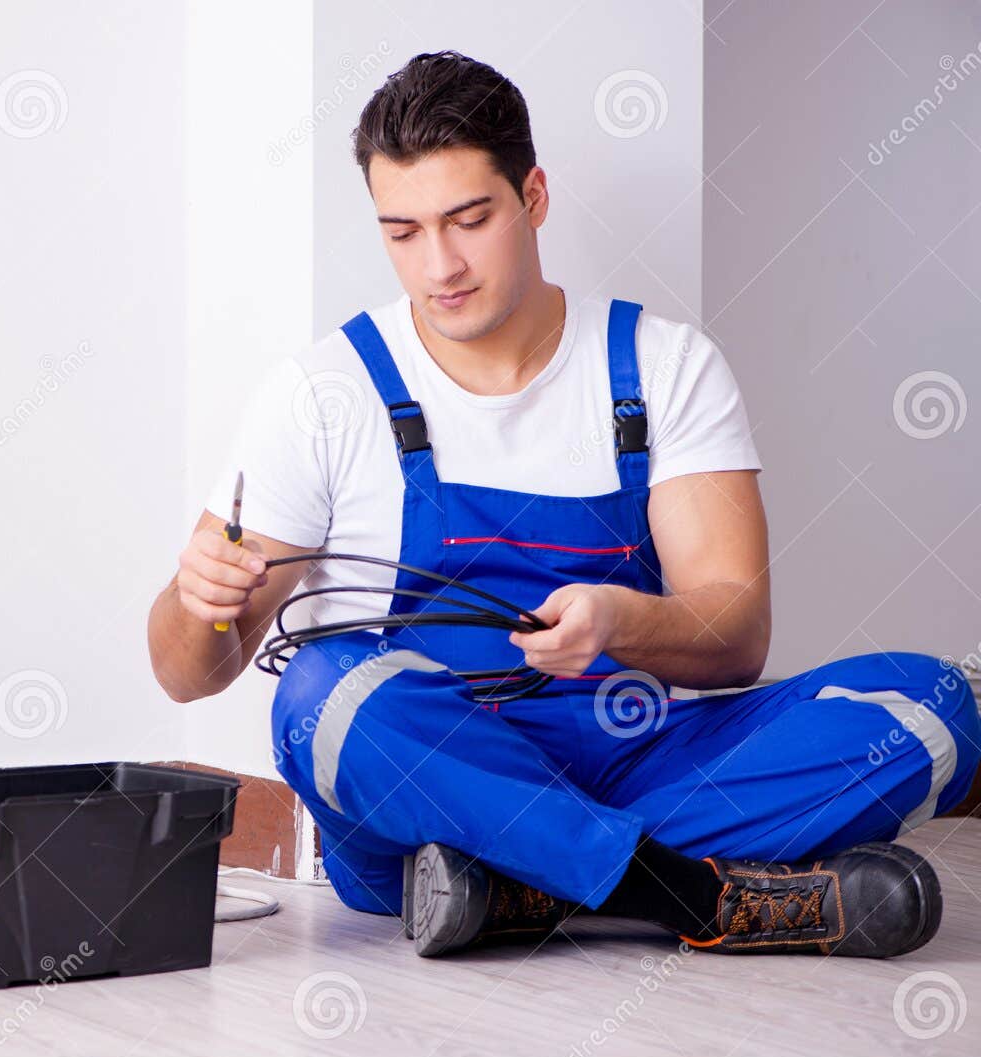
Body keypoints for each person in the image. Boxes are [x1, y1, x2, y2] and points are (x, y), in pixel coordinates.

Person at [146, 50, 980, 958]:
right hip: (433, 775)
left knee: (935, 702)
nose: (440, 265)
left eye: (470, 219)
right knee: (323, 696)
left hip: (633, 746)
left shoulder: (662, 368)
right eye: (404, 232)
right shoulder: (323, 391)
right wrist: (198, 605)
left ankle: (517, 886)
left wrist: (620, 620)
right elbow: (191, 676)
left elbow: (739, 638)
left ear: (533, 196)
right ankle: (687, 895)